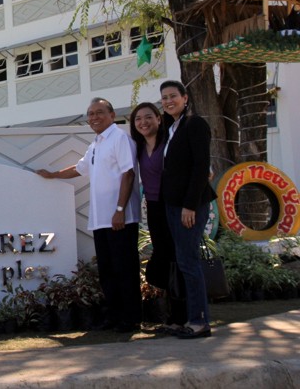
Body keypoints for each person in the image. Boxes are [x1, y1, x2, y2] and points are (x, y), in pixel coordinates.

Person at [36, 98, 142, 332]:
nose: (94, 117)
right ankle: (114, 316)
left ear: (112, 115)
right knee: (107, 270)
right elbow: (79, 168)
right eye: (90, 114)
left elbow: (128, 174)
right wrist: (53, 175)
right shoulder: (96, 144)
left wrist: (120, 210)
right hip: (101, 220)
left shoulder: (120, 138)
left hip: (120, 218)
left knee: (125, 270)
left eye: (99, 112)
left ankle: (131, 318)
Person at [160, 80, 217, 339]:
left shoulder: (195, 124)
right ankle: (185, 318)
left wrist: (189, 206)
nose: (168, 101)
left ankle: (200, 321)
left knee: (189, 261)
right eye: (164, 98)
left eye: (173, 96)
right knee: (182, 261)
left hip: (189, 205)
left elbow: (200, 166)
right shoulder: (171, 127)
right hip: (172, 204)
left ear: (185, 98)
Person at [130, 102, 187, 333]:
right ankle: (172, 316)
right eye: (138, 119)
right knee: (162, 260)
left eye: (148, 117)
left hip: (172, 206)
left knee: (177, 260)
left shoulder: (169, 143)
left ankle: (181, 317)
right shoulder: (139, 147)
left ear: (158, 119)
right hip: (153, 208)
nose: (143, 122)